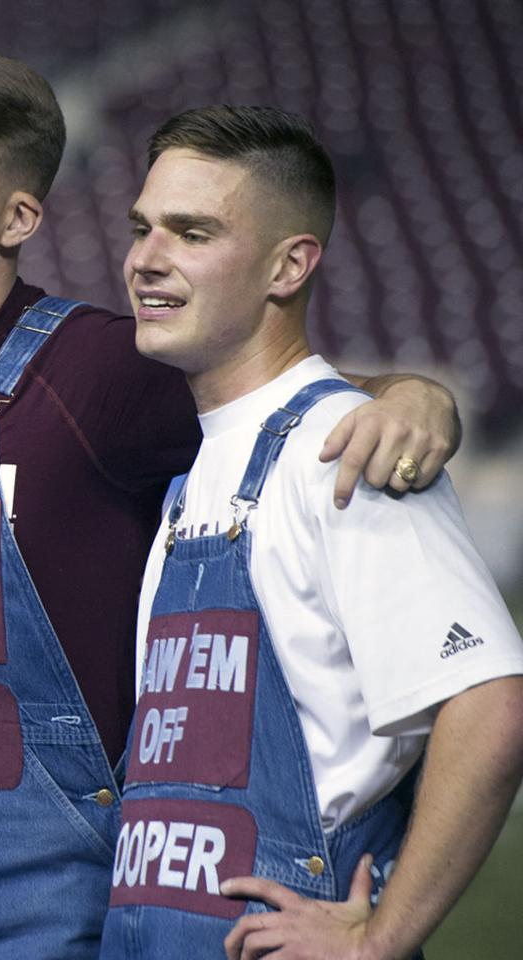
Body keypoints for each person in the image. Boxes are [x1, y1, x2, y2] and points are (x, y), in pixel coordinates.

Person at [0, 54, 462, 959]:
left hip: (47, 920)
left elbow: (283, 399)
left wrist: (413, 395)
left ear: (19, 218)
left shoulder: (102, 370)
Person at [100, 105, 523, 960]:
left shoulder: (341, 447)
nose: (146, 257)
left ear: (289, 265)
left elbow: (492, 703)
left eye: (193, 232)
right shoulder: (199, 461)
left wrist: (379, 939)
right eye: (143, 228)